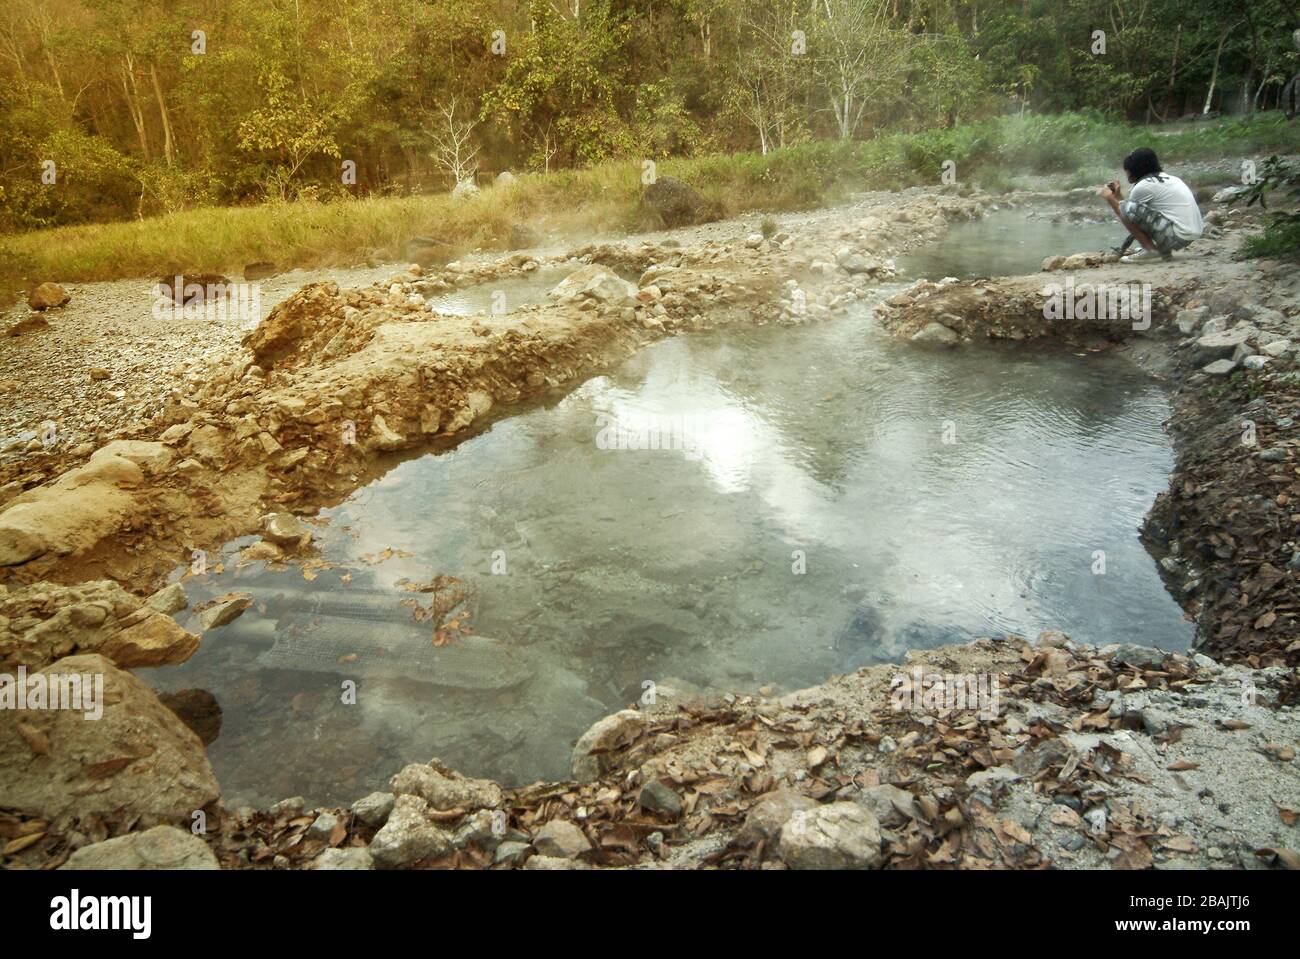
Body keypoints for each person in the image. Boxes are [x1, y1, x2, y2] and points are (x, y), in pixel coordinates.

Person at [1099, 147, 1204, 263]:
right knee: (1129, 208)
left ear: (1135, 169)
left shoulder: (1143, 186)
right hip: (1191, 232)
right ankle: (1158, 250)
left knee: (1127, 208)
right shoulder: (1171, 179)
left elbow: (1127, 213)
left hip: (1179, 234)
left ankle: (1151, 250)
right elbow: (1134, 215)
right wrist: (1118, 197)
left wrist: (1109, 197)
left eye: (1127, 169)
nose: (1126, 173)